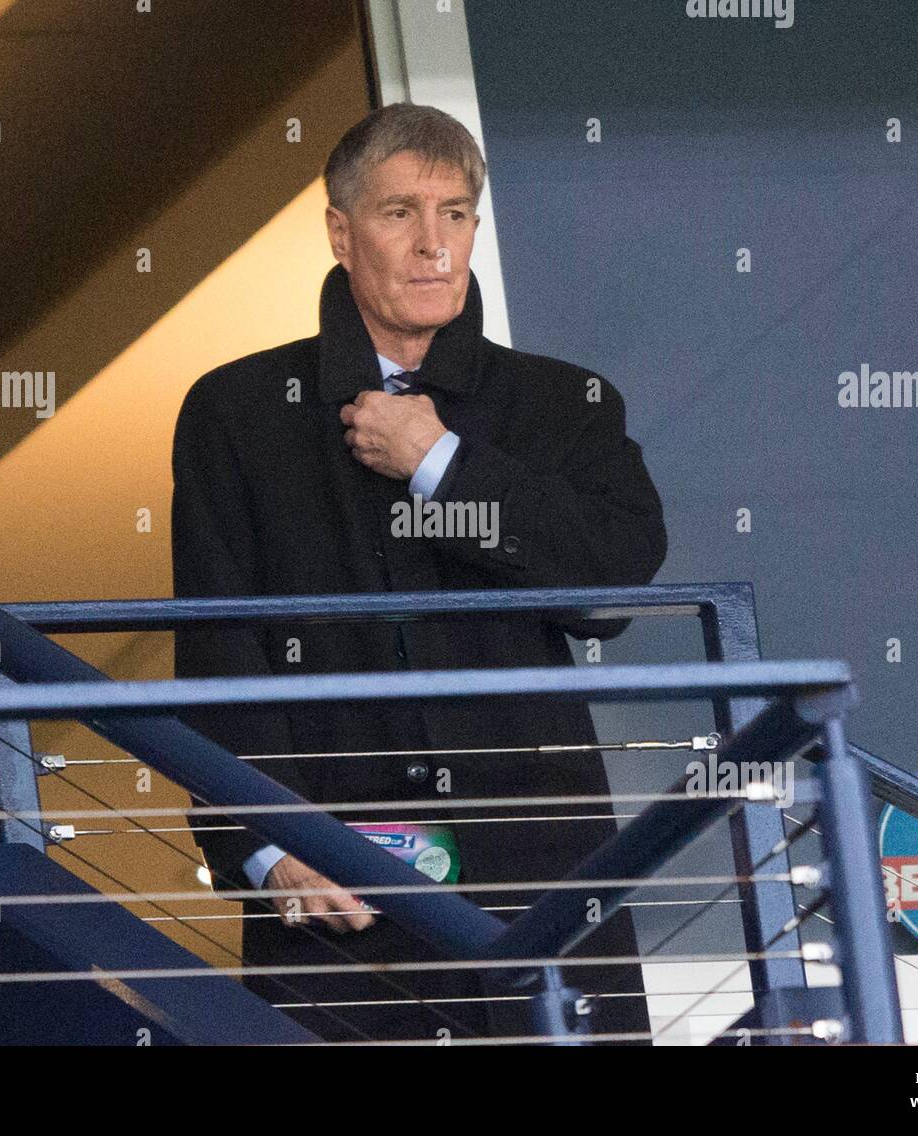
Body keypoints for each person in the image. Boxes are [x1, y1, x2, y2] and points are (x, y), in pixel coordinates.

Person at [171, 102, 666, 1043]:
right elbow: (220, 649)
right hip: (336, 876)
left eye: (457, 214)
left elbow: (614, 586)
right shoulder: (235, 413)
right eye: (401, 213)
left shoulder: (566, 401)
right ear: (341, 233)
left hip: (541, 877)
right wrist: (267, 846)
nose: (435, 244)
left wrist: (442, 462)